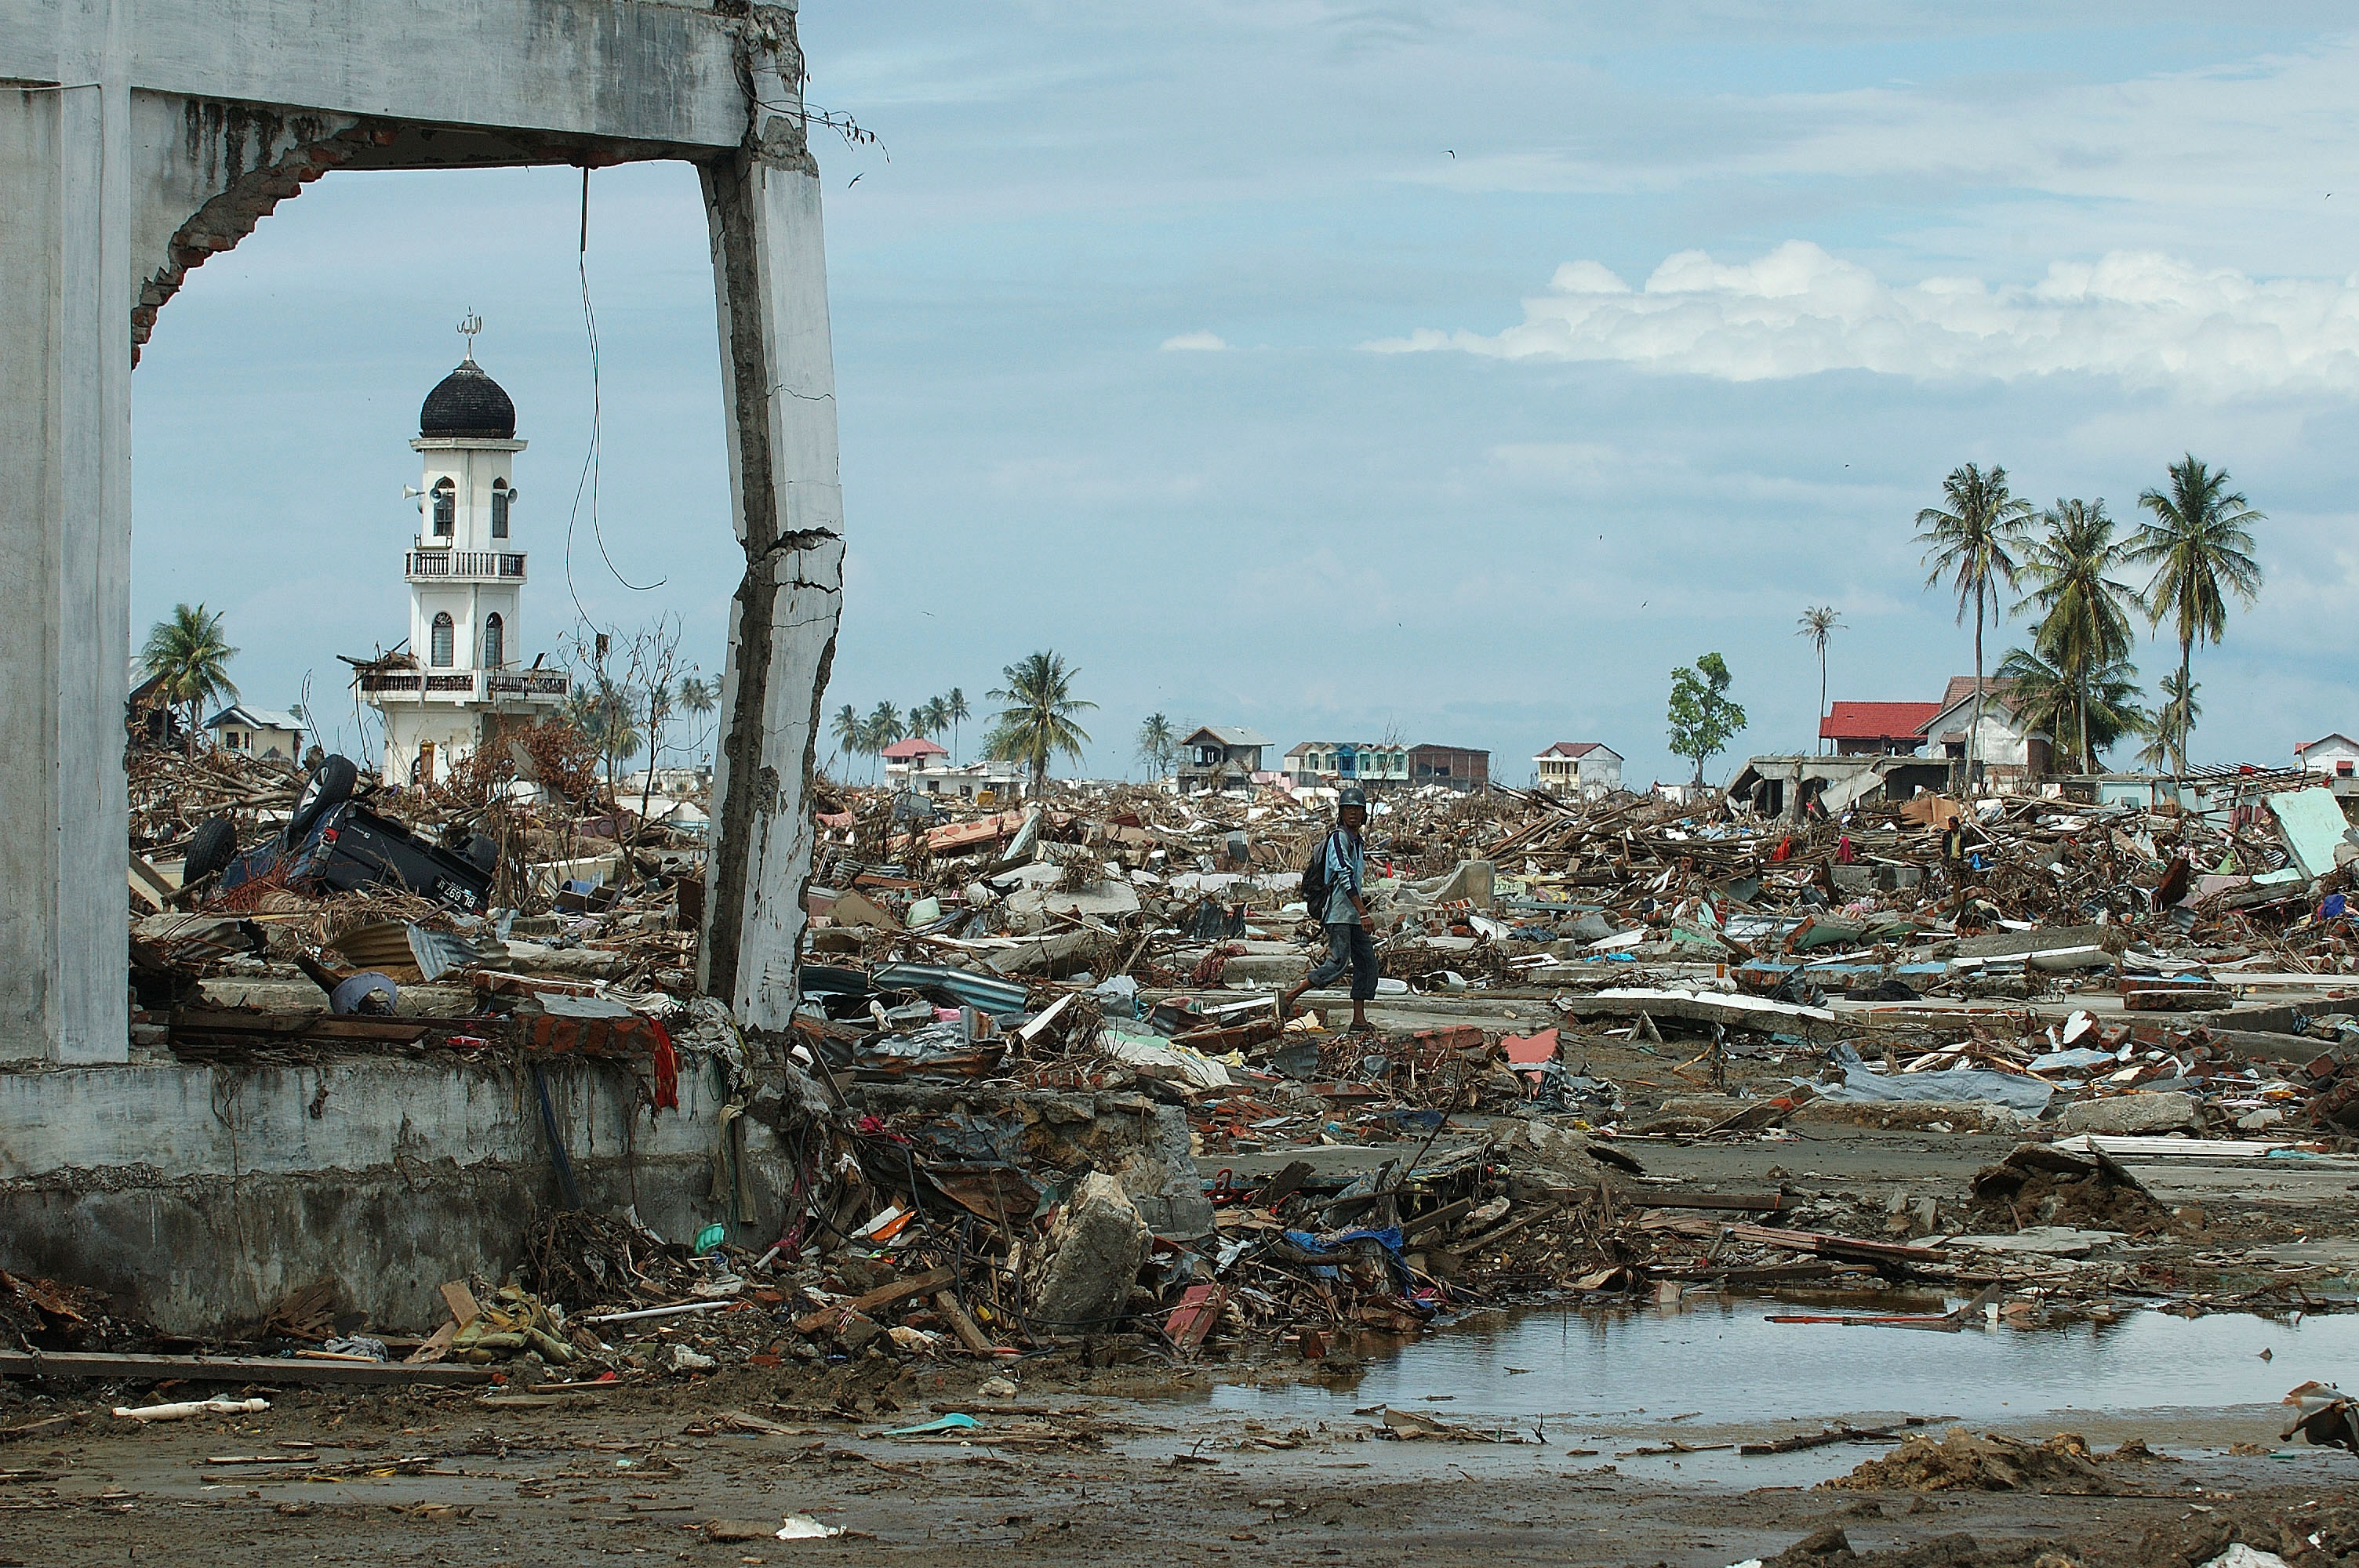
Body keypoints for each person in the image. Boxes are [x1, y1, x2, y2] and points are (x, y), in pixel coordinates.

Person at [1281, 786, 1378, 1032]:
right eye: (1348, 809)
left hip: (1352, 914)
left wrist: (1360, 912)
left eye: (1357, 809)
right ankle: (1290, 996)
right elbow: (1344, 876)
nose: (1353, 813)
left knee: (1366, 963)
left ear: (1364, 814)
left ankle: (1359, 1021)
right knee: (1337, 963)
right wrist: (1363, 912)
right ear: (1341, 813)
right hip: (1338, 913)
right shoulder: (1338, 839)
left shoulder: (1357, 842)